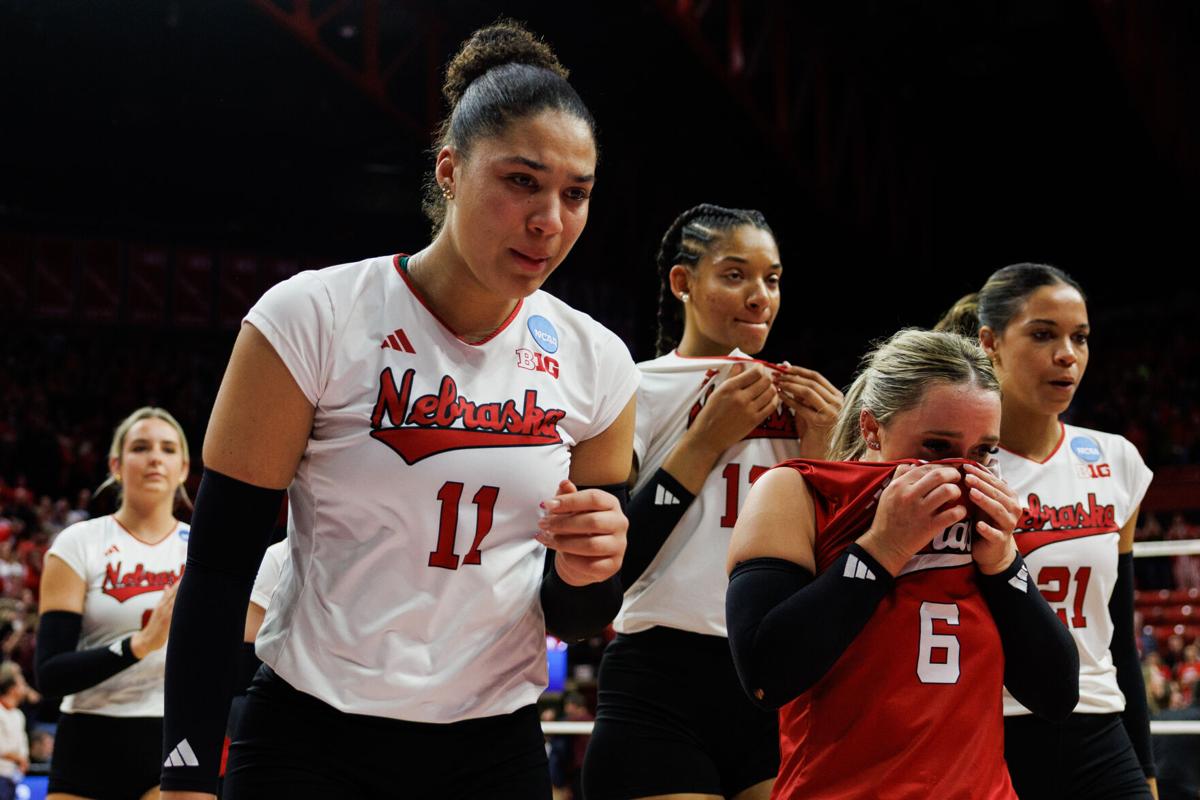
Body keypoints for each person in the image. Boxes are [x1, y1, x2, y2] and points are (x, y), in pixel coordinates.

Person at [159, 20, 638, 800]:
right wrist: (183, 770)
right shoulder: (309, 317)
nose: (551, 219)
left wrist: (593, 569)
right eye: (523, 180)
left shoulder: (598, 362)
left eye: (575, 193)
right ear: (450, 169)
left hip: (492, 746)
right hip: (309, 738)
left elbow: (577, 615)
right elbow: (218, 566)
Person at [725, 328, 1080, 799]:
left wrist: (1005, 563)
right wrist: (882, 548)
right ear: (871, 428)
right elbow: (766, 678)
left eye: (983, 452)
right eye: (936, 446)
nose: (960, 471)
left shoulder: (989, 511)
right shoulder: (799, 491)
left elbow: (1056, 696)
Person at [583, 204, 842, 800]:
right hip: (659, 677)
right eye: (735, 275)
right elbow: (613, 568)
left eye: (771, 280)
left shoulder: (810, 399)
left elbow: (836, 571)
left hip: (773, 678)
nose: (759, 297)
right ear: (683, 283)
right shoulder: (633, 385)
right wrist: (705, 440)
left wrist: (826, 457)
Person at [937, 263, 1158, 799]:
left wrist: (1146, 768)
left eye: (1079, 338)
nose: (1068, 355)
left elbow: (1118, 633)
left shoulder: (1116, 459)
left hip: (1100, 728)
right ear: (989, 342)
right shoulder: (950, 468)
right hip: (987, 726)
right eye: (1043, 334)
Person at [35, 407, 189, 800]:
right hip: (87, 734)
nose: (155, 457)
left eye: (167, 449)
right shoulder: (78, 543)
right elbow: (50, 675)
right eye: (141, 447)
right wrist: (138, 645)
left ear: (184, 468)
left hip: (172, 732)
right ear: (116, 465)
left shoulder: (204, 552)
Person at [0, 662, 29, 800]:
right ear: (12, 689)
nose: (25, 688)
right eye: (22, 684)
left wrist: (24, 759)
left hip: (13, 777)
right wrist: (18, 758)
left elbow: (23, 743)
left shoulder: (18, 715)